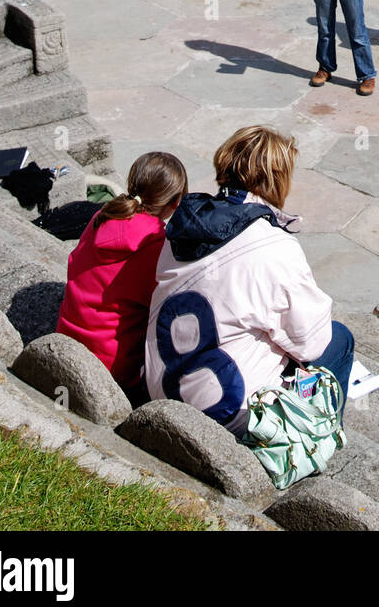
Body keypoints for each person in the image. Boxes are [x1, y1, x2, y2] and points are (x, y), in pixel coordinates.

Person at [145, 125, 355, 433]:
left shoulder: (179, 229)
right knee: (339, 338)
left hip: (163, 394)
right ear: (278, 179)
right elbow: (312, 345)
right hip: (233, 419)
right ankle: (319, 437)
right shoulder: (275, 247)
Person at [56, 152, 188, 402]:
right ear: (176, 202)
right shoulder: (155, 243)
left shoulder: (102, 215)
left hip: (67, 335)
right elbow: (162, 306)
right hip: (113, 367)